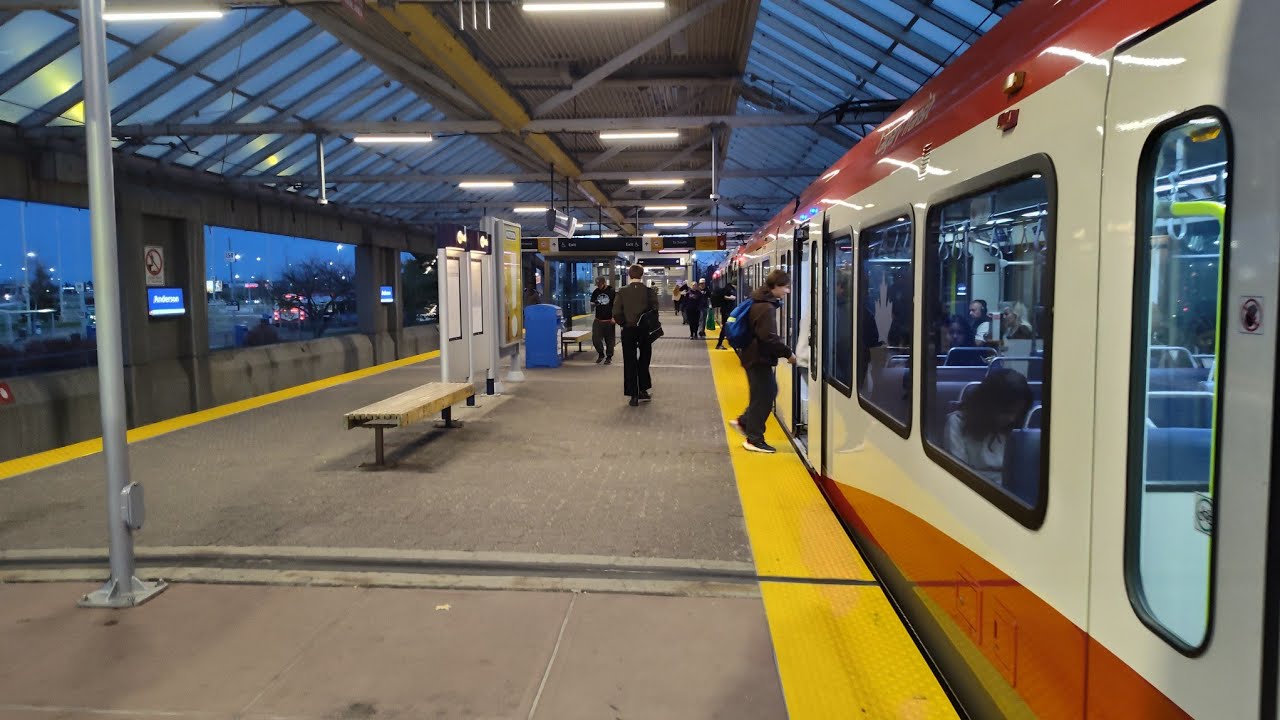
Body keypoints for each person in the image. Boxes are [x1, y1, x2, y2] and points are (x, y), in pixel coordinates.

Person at [729, 269, 796, 454]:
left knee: (765, 393)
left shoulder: (759, 301)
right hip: (758, 357)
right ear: (775, 286)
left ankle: (744, 422)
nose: (787, 291)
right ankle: (754, 439)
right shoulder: (765, 307)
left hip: (754, 356)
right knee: (764, 395)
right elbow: (767, 337)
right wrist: (788, 353)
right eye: (785, 287)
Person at [943, 369, 1033, 485]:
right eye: (1006, 412)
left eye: (1017, 413)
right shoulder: (957, 423)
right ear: (987, 406)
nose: (1012, 418)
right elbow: (958, 475)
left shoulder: (1020, 428)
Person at [613, 264, 660, 407]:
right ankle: (643, 390)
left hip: (628, 330)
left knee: (629, 361)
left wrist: (624, 324)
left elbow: (616, 312)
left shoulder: (622, 291)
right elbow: (655, 309)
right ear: (642, 275)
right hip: (645, 330)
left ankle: (633, 395)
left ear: (629, 275)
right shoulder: (649, 291)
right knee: (644, 359)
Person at [589, 277, 616, 364]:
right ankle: (601, 354)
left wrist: (614, 317)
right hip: (598, 320)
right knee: (595, 339)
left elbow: (616, 305)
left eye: (600, 284)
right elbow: (592, 302)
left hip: (609, 320)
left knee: (610, 340)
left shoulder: (611, 291)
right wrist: (592, 305)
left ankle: (609, 357)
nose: (599, 286)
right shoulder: (596, 292)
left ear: (604, 283)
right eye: (598, 285)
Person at [712, 281, 738, 350]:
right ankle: (720, 344)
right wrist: (730, 298)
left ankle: (725, 343)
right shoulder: (729, 289)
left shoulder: (728, 288)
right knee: (726, 327)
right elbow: (723, 297)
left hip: (727, 311)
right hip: (728, 312)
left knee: (727, 327)